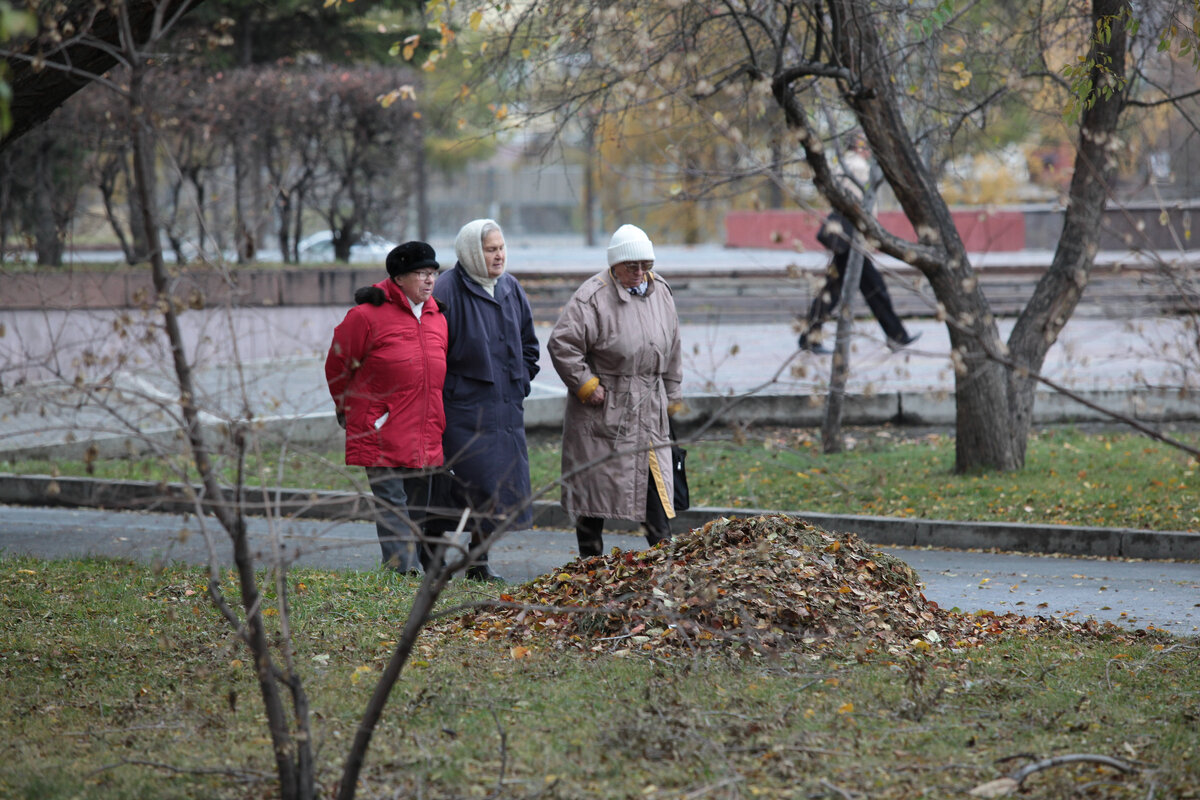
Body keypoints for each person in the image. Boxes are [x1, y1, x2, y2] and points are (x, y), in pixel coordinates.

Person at [354, 219, 541, 581]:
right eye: (490, 249)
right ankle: (433, 564)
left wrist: (519, 383)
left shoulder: (511, 288)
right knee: (451, 492)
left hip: (505, 412)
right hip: (460, 413)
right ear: (472, 251)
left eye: (501, 247)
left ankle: (479, 563)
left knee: (499, 491)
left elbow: (529, 345)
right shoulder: (448, 290)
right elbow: (427, 345)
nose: (499, 255)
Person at [547, 223, 684, 558]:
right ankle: (589, 567)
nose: (639, 272)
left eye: (645, 265)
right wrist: (586, 385)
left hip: (649, 411)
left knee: (656, 493)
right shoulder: (592, 296)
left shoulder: (660, 291)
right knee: (593, 494)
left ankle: (667, 568)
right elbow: (562, 343)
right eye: (631, 266)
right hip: (604, 413)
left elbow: (674, 347)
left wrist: (673, 398)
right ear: (615, 265)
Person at [326, 241, 448, 574]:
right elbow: (338, 364)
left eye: (432, 273)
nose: (429, 280)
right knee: (393, 504)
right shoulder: (366, 316)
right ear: (398, 278)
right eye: (421, 273)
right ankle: (403, 572)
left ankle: (403, 566)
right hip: (381, 428)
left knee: (417, 507)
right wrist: (348, 409)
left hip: (425, 429)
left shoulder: (438, 316)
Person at [799, 140, 921, 355]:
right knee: (872, 289)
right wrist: (869, 236)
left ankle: (810, 336)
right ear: (858, 147)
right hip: (852, 240)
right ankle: (896, 336)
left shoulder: (840, 166)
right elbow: (862, 206)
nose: (868, 151)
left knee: (839, 291)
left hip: (846, 240)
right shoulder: (858, 168)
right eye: (865, 146)